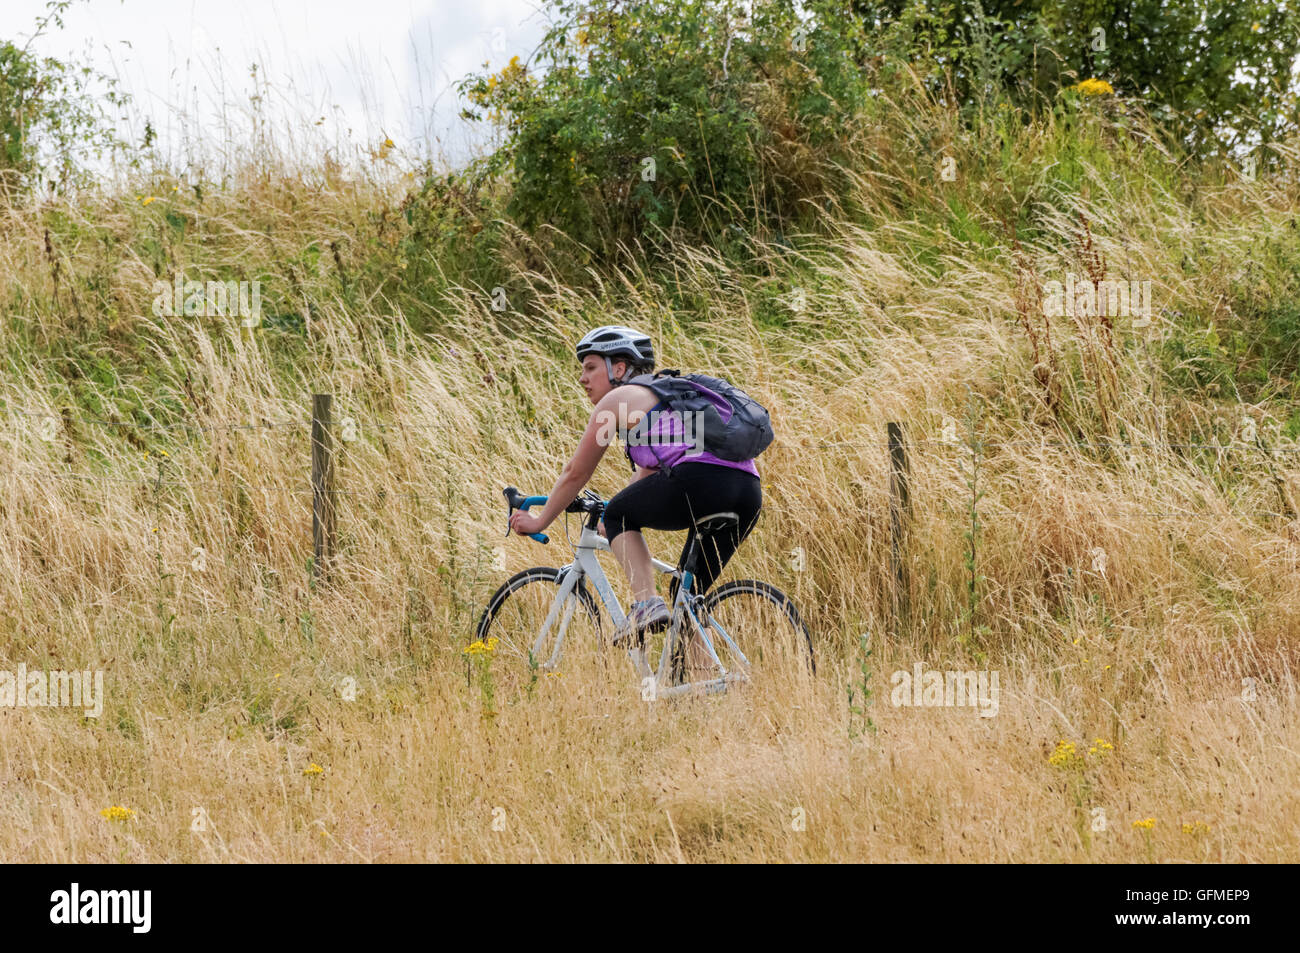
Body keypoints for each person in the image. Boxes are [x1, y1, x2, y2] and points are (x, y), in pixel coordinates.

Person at [508, 325, 762, 645]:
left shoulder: (618, 401)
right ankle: (706, 685)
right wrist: (609, 522)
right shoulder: (665, 400)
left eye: (590, 367)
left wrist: (540, 520)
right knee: (687, 596)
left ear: (620, 367)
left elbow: (576, 473)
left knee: (618, 514)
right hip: (747, 492)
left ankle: (644, 605)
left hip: (700, 482)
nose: (582, 378)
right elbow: (646, 475)